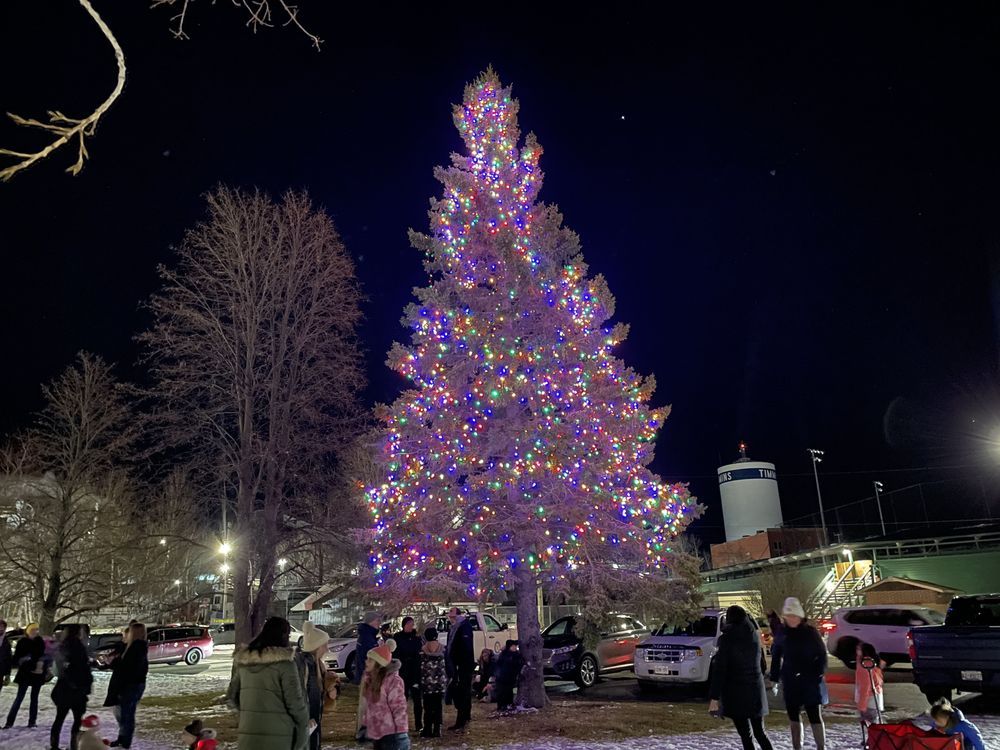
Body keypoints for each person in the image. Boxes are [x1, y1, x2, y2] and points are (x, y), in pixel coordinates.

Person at [227, 616, 310, 750]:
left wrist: (248, 714)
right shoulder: (285, 665)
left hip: (249, 735)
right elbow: (295, 704)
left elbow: (232, 695)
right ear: (284, 636)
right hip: (280, 736)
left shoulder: (244, 663)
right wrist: (303, 727)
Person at [708, 606, 773, 750]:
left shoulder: (726, 639)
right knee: (760, 732)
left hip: (736, 692)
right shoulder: (754, 636)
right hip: (755, 689)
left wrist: (714, 697)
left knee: (746, 735)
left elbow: (720, 669)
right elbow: (762, 663)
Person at [768, 597, 828, 750]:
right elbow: (776, 656)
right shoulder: (783, 634)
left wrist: (818, 674)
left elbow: (821, 654)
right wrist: (774, 678)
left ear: (800, 617)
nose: (792, 619)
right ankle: (797, 747)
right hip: (790, 680)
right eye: (788, 616)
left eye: (794, 616)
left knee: (814, 714)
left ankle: (821, 746)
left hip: (809, 680)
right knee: (794, 717)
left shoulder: (810, 632)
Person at [103, 622, 148, 749]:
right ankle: (122, 739)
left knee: (127, 715)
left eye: (129, 632)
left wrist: (114, 663)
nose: (126, 635)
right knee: (123, 714)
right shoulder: (131, 647)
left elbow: (128, 668)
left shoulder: (137, 648)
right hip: (129, 685)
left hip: (131, 686)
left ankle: (125, 742)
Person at [50, 624, 93, 750]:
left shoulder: (63, 646)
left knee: (59, 718)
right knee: (76, 719)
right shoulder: (77, 647)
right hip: (76, 689)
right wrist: (85, 684)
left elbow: (62, 668)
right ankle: (73, 745)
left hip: (65, 688)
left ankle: (55, 745)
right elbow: (81, 669)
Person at [361, 640, 409, 750]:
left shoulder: (393, 681)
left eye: (370, 660)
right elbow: (369, 707)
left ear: (379, 663)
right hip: (377, 734)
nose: (366, 662)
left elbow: (399, 707)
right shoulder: (370, 681)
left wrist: (401, 733)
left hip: (391, 734)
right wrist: (365, 726)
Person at [295, 622, 332, 750]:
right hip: (307, 721)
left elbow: (318, 693)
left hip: (314, 721)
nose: (327, 649)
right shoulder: (304, 665)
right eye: (325, 645)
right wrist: (305, 718)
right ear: (317, 647)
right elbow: (297, 693)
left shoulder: (319, 665)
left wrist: (331, 687)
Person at [4, 622, 47, 729]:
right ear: (28, 631)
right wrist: (24, 660)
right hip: (25, 674)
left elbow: (43, 656)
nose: (35, 632)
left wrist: (41, 665)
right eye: (33, 630)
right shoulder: (22, 642)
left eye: (36, 630)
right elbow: (16, 658)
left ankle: (32, 722)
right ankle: (9, 723)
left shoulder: (40, 641)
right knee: (19, 698)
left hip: (37, 673)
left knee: (34, 699)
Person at [446, 607, 475, 731]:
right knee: (464, 691)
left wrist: (459, 663)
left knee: (461, 691)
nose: (449, 614)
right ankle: (465, 715)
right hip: (457, 664)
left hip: (463, 665)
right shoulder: (454, 628)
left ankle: (461, 719)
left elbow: (465, 647)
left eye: (451, 612)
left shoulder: (463, 627)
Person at [355, 612, 382, 741]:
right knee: (367, 705)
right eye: (377, 621)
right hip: (368, 675)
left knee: (366, 704)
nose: (379, 624)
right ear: (371, 622)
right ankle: (364, 731)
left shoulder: (366, 635)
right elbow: (371, 658)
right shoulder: (367, 638)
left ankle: (364, 730)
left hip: (365, 674)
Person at [393, 617, 423, 733]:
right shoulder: (398, 637)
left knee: (417, 699)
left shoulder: (416, 638)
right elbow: (396, 653)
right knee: (402, 699)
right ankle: (401, 723)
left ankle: (418, 724)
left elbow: (418, 652)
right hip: (403, 671)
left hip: (415, 672)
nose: (411, 626)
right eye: (408, 624)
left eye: (412, 624)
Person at [419, 628, 447, 738]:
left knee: (427, 706)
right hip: (439, 682)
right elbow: (448, 664)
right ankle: (437, 729)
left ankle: (427, 729)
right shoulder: (443, 649)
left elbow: (418, 666)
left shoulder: (422, 650)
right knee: (438, 706)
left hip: (427, 682)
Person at [854, 642, 884, 735]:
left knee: (870, 724)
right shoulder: (871, 663)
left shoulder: (865, 665)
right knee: (874, 723)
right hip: (874, 699)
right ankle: (873, 740)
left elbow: (865, 685)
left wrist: (862, 704)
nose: (856, 651)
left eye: (859, 649)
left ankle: (873, 741)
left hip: (869, 700)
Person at [493, 640, 522, 712]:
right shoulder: (504, 654)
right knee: (502, 692)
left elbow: (517, 665)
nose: (515, 647)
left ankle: (508, 705)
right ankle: (501, 706)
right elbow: (499, 665)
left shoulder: (516, 655)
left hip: (510, 677)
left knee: (508, 692)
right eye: (513, 646)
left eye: (515, 646)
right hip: (502, 677)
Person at [0, 620, 12, 695]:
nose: (1, 628)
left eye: (2, 627)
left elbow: (8, 658)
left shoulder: (6, 641)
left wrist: (8, 674)